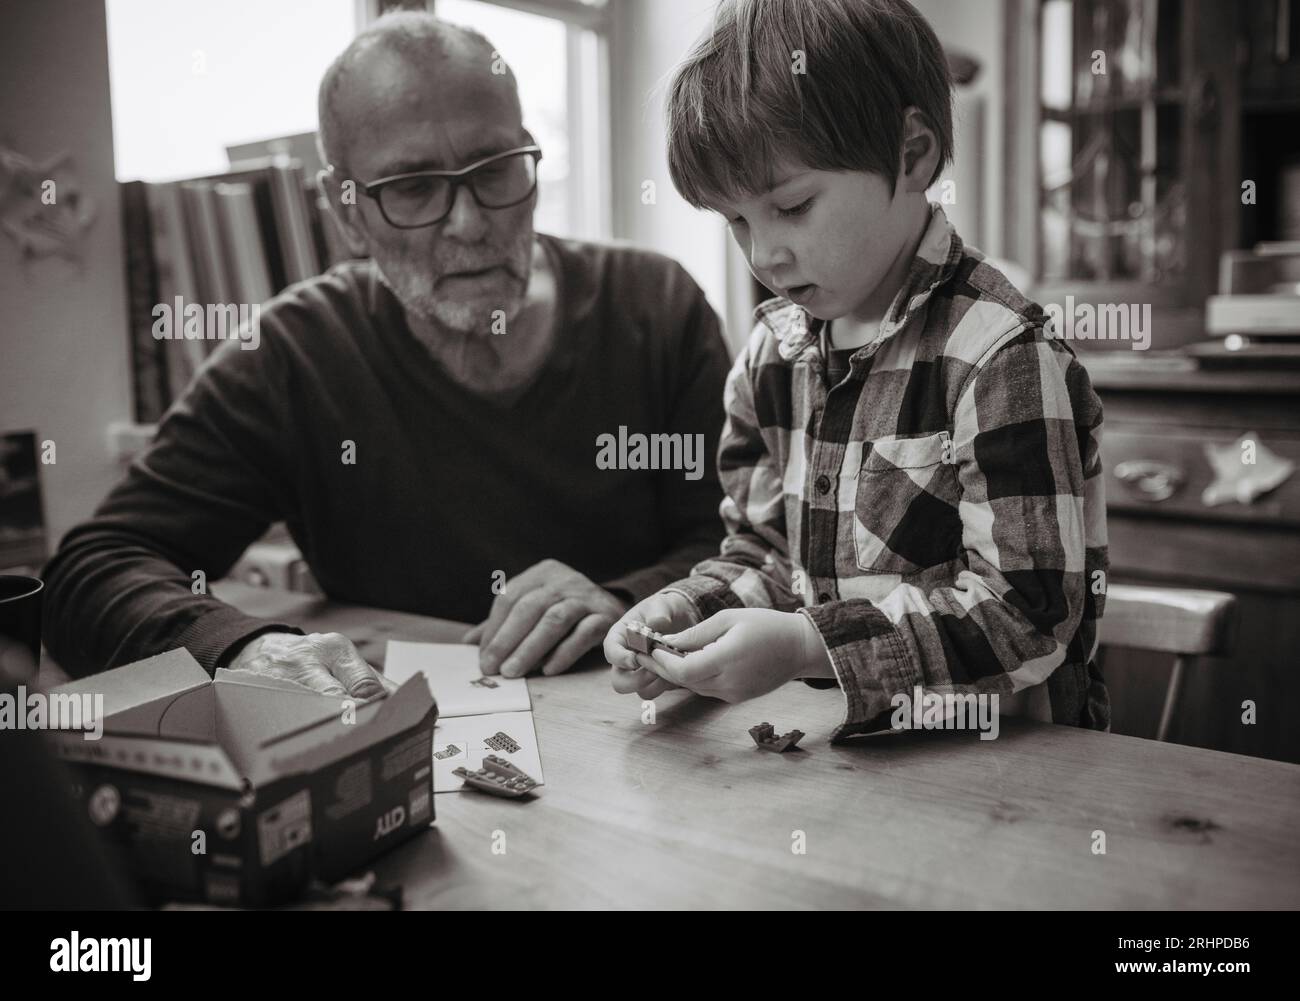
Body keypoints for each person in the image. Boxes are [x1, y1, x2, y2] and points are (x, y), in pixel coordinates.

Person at [42, 12, 729, 697]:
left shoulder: (656, 308)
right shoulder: (296, 354)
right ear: (345, 212)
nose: (469, 224)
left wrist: (624, 594)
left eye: (495, 170)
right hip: (403, 748)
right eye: (412, 188)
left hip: (646, 732)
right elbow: (91, 570)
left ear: (531, 159)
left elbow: (752, 546)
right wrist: (243, 647)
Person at [604, 0, 1110, 738]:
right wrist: (686, 615)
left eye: (793, 206)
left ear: (913, 155)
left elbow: (1028, 617)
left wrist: (812, 645)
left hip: (1013, 777)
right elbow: (768, 554)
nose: (763, 254)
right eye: (736, 221)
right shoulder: (773, 358)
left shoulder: (1002, 357)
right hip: (848, 767)